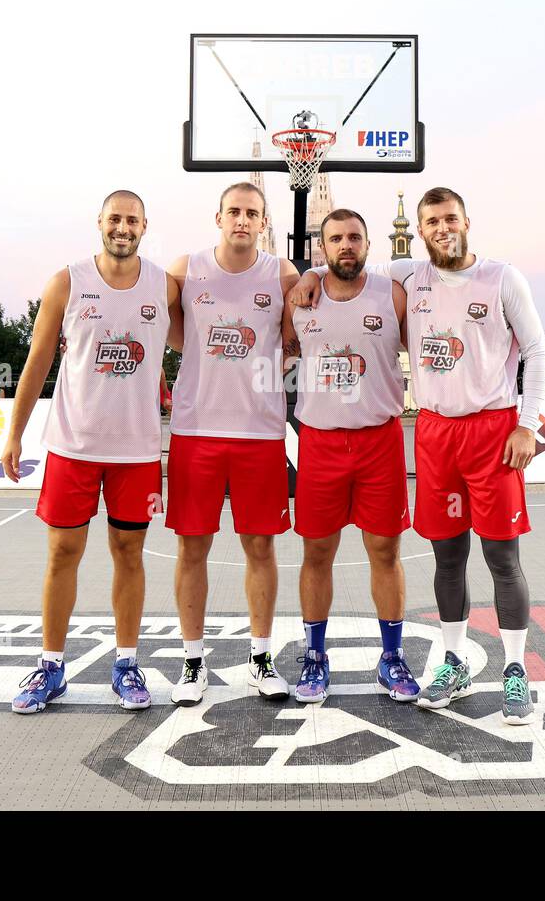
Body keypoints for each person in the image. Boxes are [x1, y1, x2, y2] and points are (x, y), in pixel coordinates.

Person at [290, 186, 545, 726]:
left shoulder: (503, 277)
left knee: (502, 558)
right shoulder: (409, 277)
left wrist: (528, 423)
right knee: (446, 556)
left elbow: (536, 349)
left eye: (449, 219)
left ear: (466, 221)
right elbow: (349, 264)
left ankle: (516, 670)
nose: (441, 229)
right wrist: (311, 274)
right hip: (433, 433)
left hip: (493, 430)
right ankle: (452, 660)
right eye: (431, 222)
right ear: (421, 230)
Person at [1, 190, 180, 714]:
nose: (122, 227)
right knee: (63, 553)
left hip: (137, 449)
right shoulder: (67, 282)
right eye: (114, 219)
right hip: (73, 446)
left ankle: (126, 664)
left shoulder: (163, 285)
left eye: (132, 220)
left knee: (129, 555)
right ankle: (52, 667)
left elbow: (207, 335)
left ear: (145, 225)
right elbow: (36, 363)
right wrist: (15, 433)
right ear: (99, 223)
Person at [164, 182, 301, 706]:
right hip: (196, 430)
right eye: (234, 212)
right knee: (191, 547)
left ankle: (261, 658)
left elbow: (296, 334)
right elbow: (172, 333)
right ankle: (193, 661)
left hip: (259, 431)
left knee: (260, 546)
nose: (243, 220)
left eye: (252, 213)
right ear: (217, 217)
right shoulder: (186, 269)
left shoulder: (282, 273)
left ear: (263, 222)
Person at [281, 208, 418, 704]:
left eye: (355, 237)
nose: (346, 245)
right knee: (317, 552)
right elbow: (273, 349)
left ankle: (392, 656)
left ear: (367, 244)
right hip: (319, 441)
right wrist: (307, 277)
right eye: (336, 238)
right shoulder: (298, 299)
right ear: (322, 246)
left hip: (379, 440)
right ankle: (315, 657)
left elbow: (428, 346)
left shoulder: (391, 294)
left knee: (385, 551)